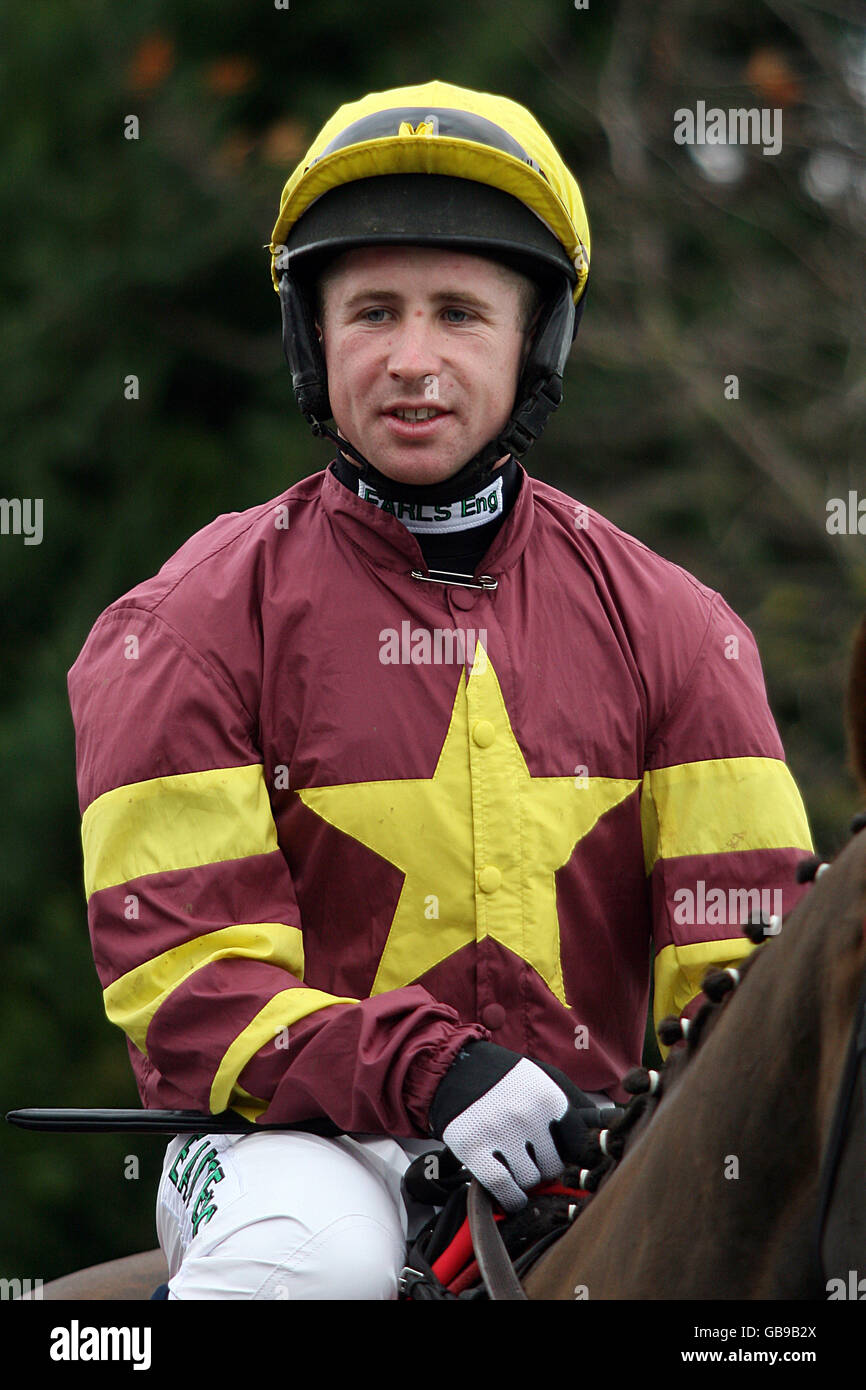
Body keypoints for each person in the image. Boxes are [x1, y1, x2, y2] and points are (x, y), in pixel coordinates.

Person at [67, 80, 814, 1300]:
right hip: (291, 1148)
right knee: (312, 1261)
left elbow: (746, 976)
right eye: (372, 312)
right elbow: (193, 982)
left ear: (534, 342)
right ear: (315, 339)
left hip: (599, 1148)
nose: (413, 361)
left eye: (460, 313)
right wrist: (440, 1071)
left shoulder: (683, 631)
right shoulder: (183, 627)